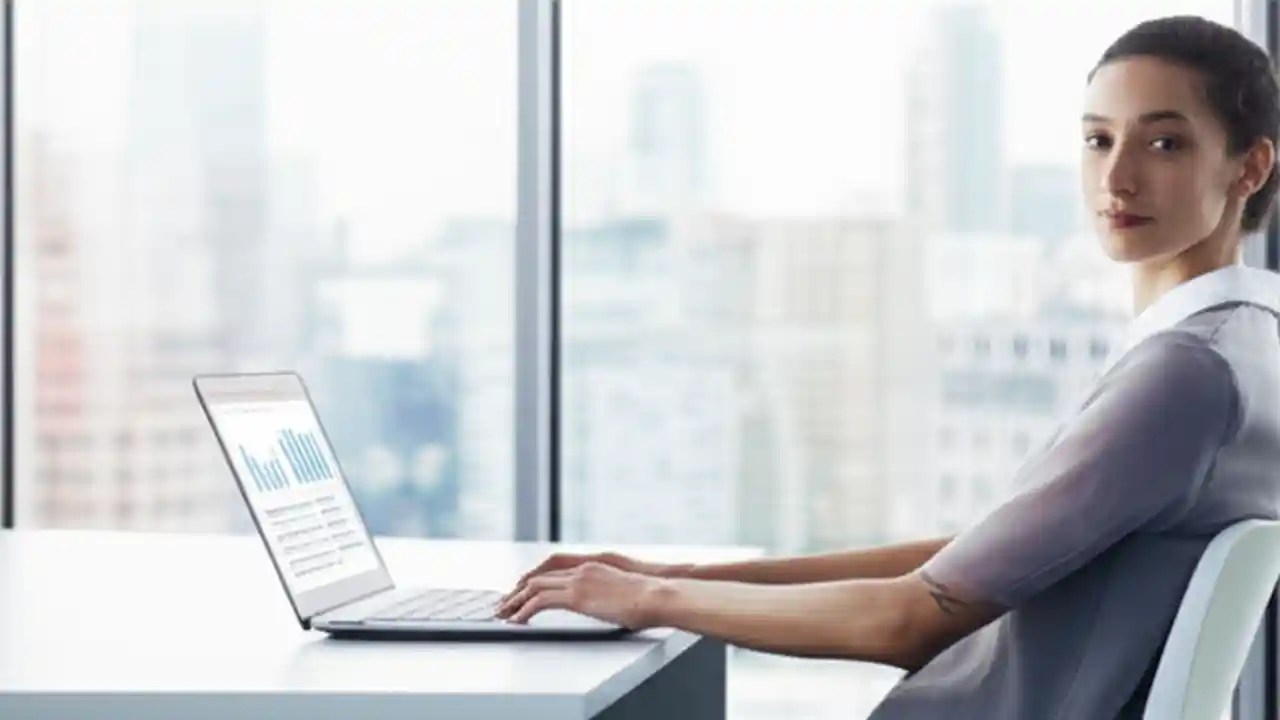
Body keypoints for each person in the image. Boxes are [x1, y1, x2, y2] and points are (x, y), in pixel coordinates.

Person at [497, 15, 1280, 718]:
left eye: (1165, 142)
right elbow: (966, 560)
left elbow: (912, 617)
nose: (1116, 178)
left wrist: (655, 597)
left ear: (1249, 167)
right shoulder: (1242, 346)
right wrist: (685, 577)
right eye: (1098, 139)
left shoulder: (1183, 378)